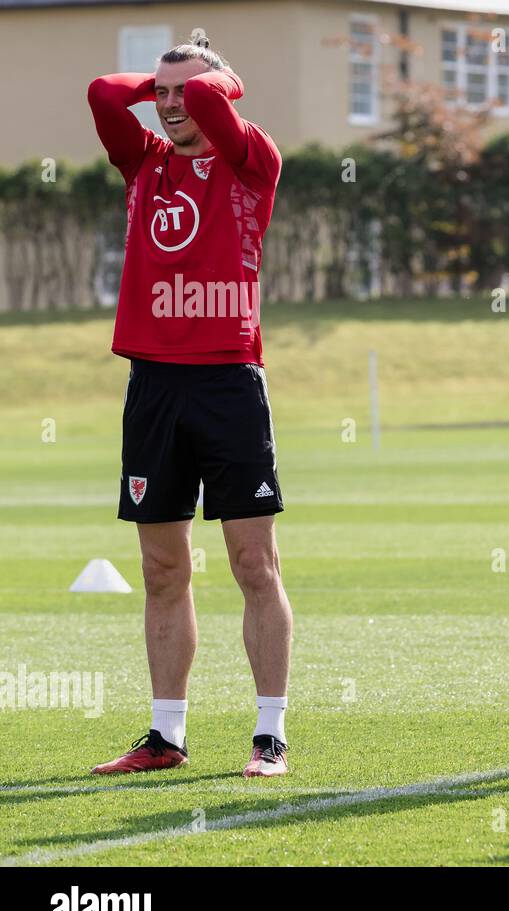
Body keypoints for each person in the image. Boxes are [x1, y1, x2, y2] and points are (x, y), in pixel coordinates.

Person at [86, 32, 292, 777]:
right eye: (162, 92)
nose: (172, 104)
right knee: (162, 569)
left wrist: (209, 81)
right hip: (153, 387)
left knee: (253, 565)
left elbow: (208, 101)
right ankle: (165, 736)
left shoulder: (250, 158)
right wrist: (166, 82)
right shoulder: (143, 163)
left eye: (186, 91)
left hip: (229, 382)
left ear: (225, 89)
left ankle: (269, 735)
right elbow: (105, 93)